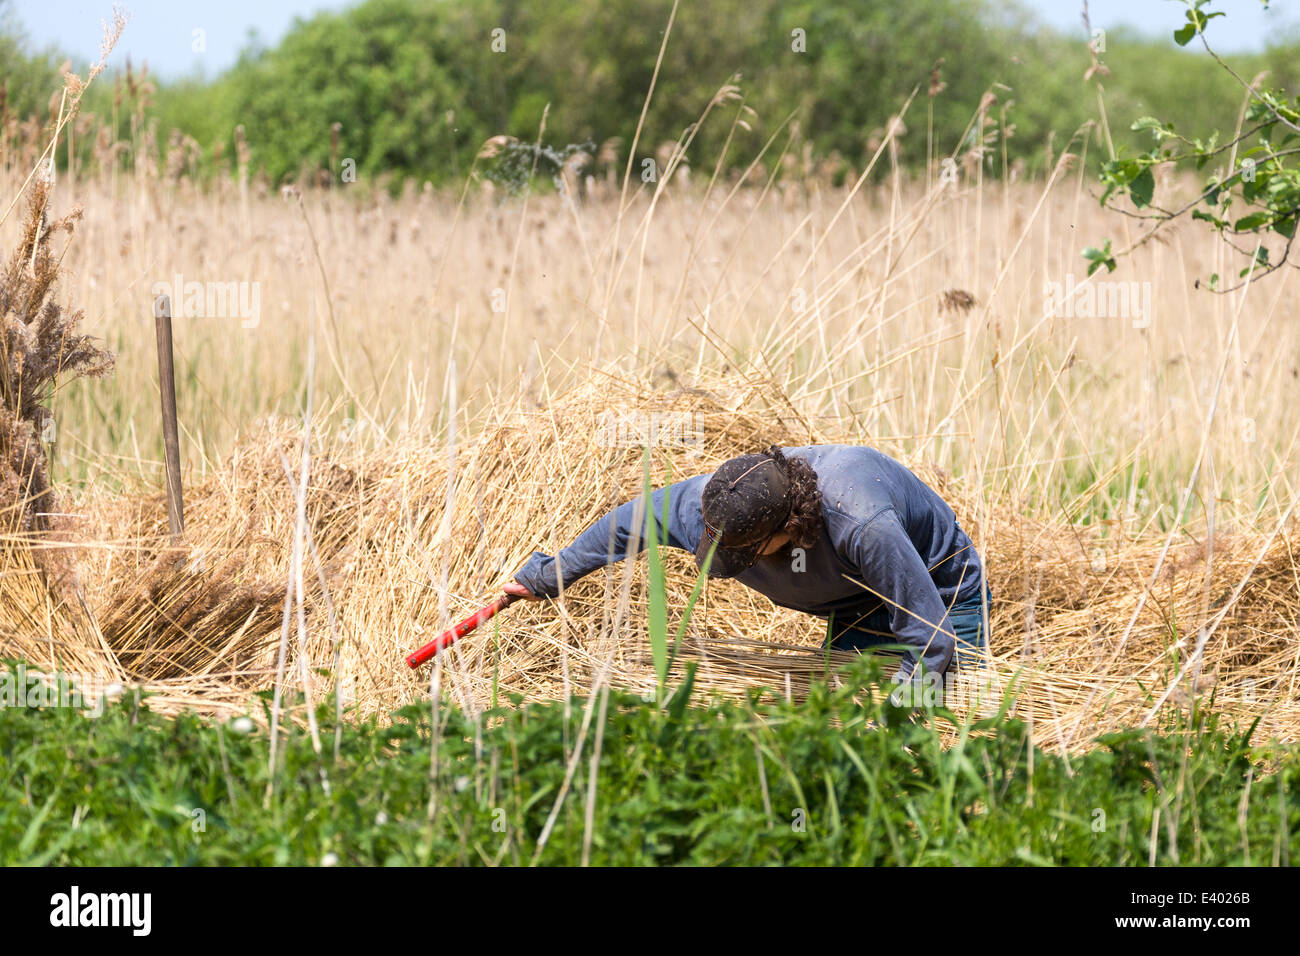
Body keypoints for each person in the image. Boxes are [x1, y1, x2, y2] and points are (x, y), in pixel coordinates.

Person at [506, 444, 991, 687]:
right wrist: (549, 576)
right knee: (842, 736)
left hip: (938, 594)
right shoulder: (710, 507)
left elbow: (932, 640)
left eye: (747, 553)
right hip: (854, 604)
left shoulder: (862, 524)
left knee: (938, 735)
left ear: (792, 527)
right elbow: (627, 525)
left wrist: (901, 718)